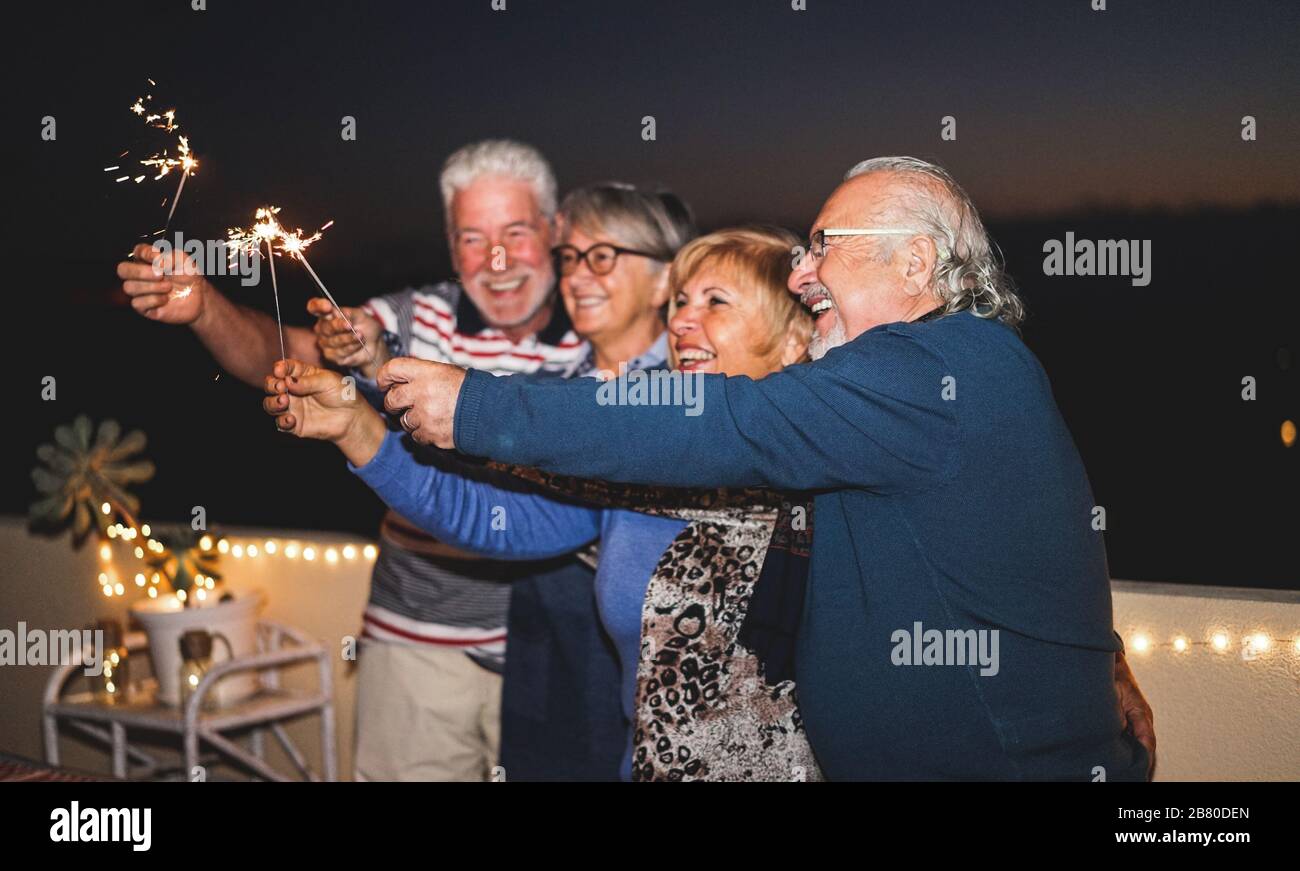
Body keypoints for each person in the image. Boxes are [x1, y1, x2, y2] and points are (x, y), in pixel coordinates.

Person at [349, 156, 1159, 780]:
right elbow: (1022, 546)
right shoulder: (924, 384)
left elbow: (725, 421)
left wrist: (481, 407)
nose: (803, 272)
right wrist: (361, 428)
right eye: (802, 252)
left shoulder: (934, 368)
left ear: (916, 263)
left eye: (825, 249)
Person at [263, 227, 823, 780]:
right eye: (679, 301)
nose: (679, 321)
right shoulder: (637, 457)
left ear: (795, 336)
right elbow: (494, 518)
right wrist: (359, 431)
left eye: (715, 302)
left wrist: (473, 403)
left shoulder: (826, 461)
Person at [117, 139, 590, 781]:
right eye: (473, 237)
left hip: (557, 656)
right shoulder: (411, 317)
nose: (497, 260)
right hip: (414, 651)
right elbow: (279, 353)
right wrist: (206, 309)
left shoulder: (604, 329)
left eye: (515, 231)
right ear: (451, 246)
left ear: (555, 229)